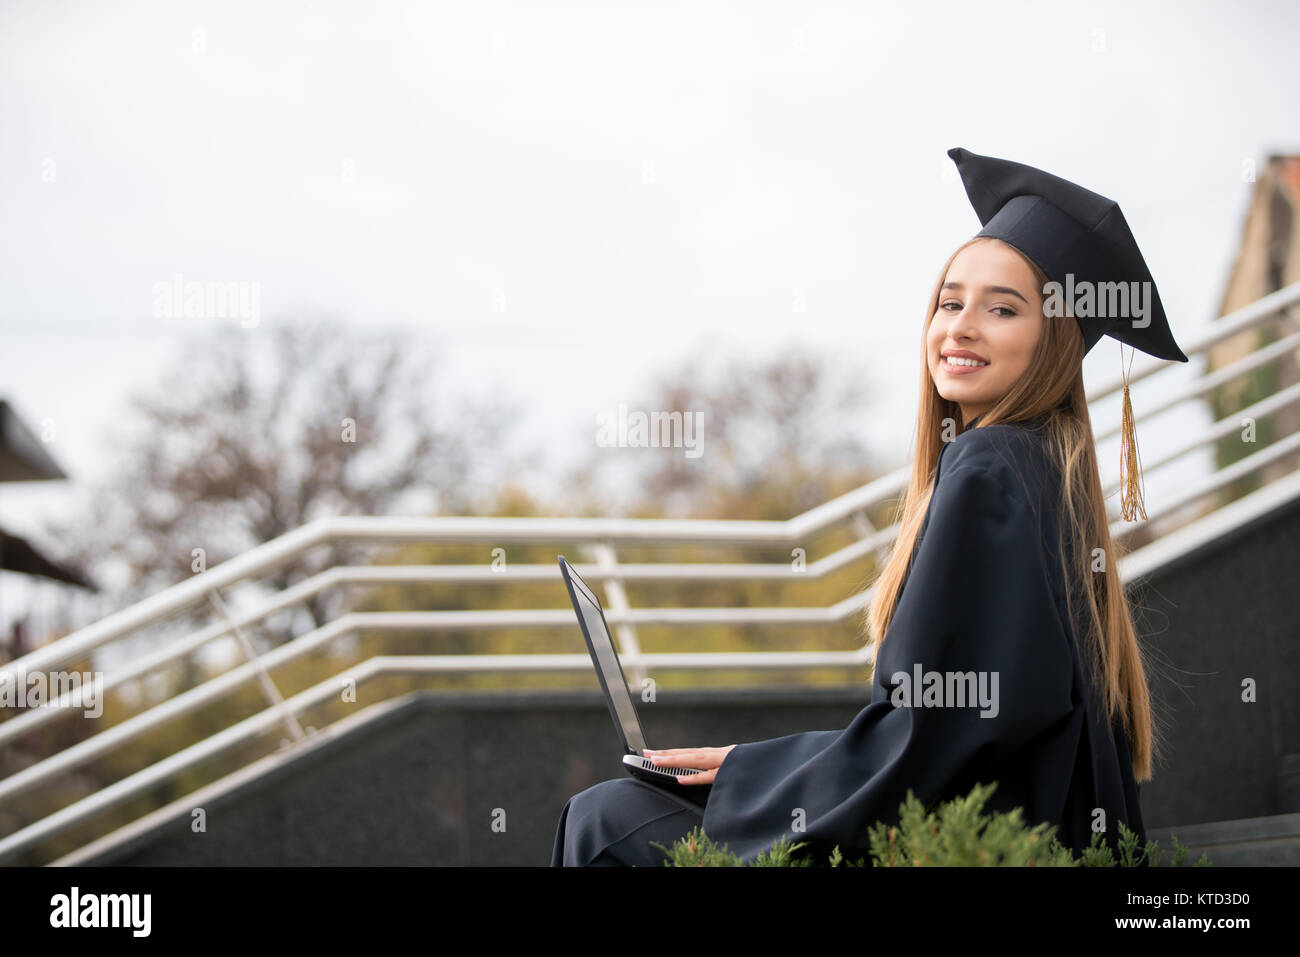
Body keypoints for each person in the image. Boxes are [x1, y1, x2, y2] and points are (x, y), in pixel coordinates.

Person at [550, 145, 1187, 866]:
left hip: (966, 842)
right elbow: (949, 729)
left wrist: (757, 770)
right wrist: (752, 764)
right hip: (1015, 833)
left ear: (1055, 340)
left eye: (1003, 308)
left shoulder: (990, 467)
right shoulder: (1048, 470)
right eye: (950, 301)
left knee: (604, 819)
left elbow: (934, 735)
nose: (962, 326)